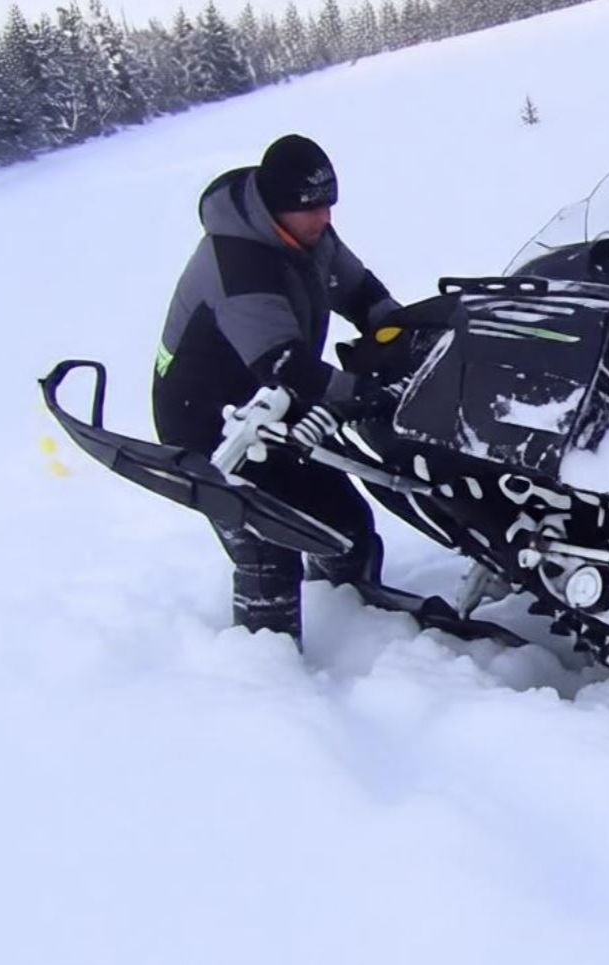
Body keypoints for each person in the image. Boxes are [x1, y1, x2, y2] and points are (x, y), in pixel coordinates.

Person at [152, 133, 403, 646]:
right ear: (274, 208)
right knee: (269, 544)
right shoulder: (238, 263)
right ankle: (268, 676)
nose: (324, 219)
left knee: (345, 527)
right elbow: (287, 365)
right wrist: (373, 392)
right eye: (310, 209)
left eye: (329, 205)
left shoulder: (309, 237)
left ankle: (364, 634)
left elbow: (363, 295)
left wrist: (413, 338)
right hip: (209, 424)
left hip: (274, 406)